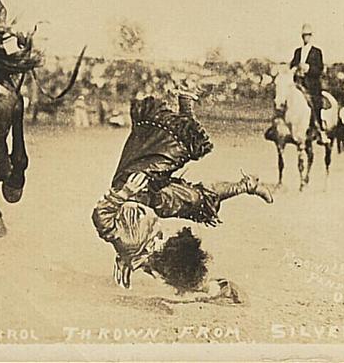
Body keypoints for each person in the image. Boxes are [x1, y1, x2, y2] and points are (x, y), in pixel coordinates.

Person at [91, 85, 273, 303]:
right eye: (164, 240)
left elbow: (100, 214)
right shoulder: (157, 258)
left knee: (175, 144)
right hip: (154, 201)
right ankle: (246, 186)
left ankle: (185, 104)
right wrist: (216, 288)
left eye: (163, 240)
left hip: (132, 185)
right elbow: (170, 268)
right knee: (198, 199)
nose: (164, 236)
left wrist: (124, 193)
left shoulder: (129, 241)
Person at [290, 23, 329, 144]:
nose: (305, 38)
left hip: (311, 85)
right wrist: (295, 69)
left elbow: (319, 69)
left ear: (311, 36)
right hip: (299, 84)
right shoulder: (297, 51)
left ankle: (320, 130)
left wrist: (308, 68)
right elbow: (292, 64)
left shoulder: (317, 52)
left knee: (315, 103)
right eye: (304, 36)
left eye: (307, 35)